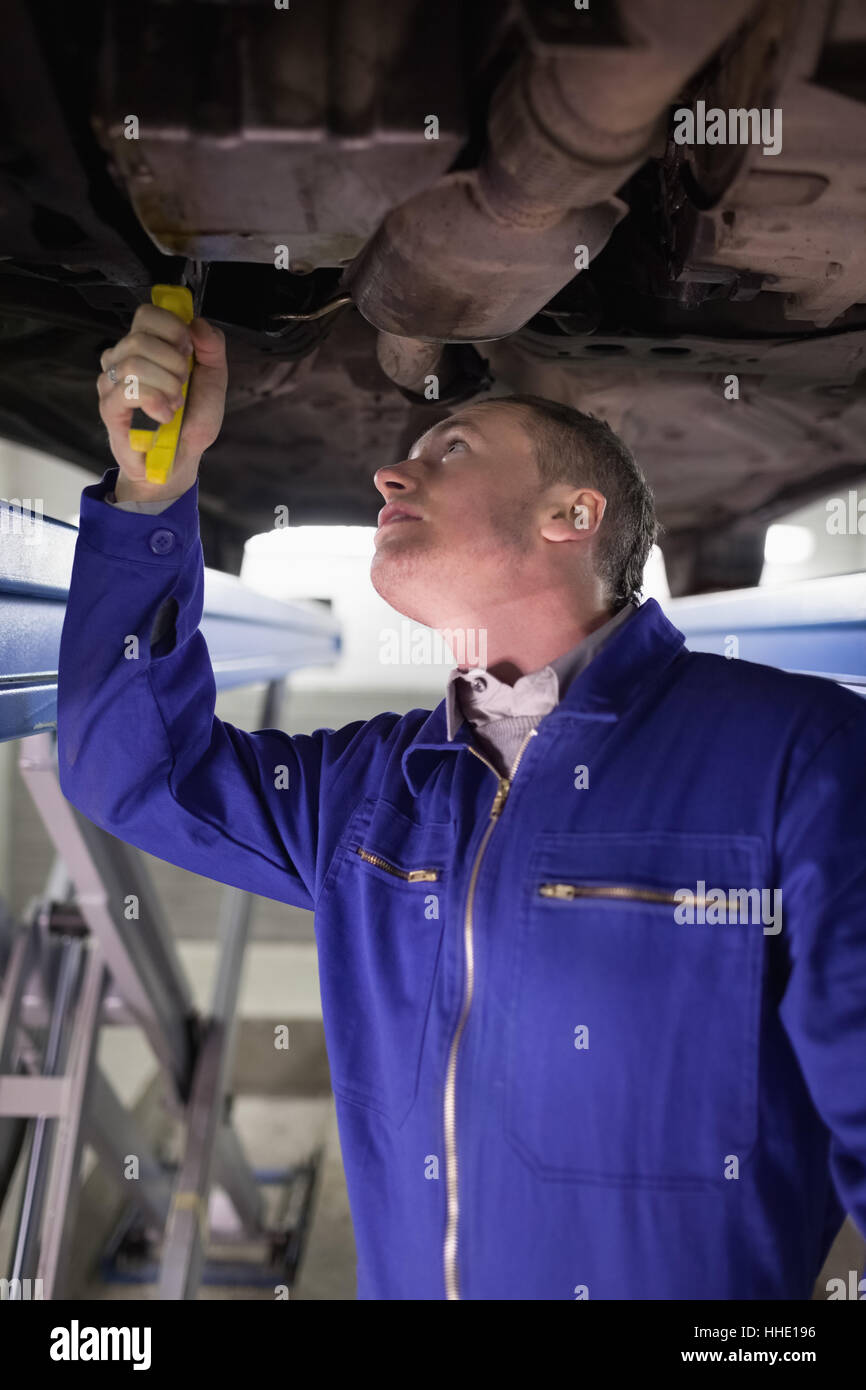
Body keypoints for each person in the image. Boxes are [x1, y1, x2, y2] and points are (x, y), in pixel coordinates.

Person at [57, 302, 866, 1300]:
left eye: (452, 447)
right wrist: (150, 490)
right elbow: (132, 771)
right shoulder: (373, 787)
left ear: (572, 514)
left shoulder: (796, 752)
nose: (391, 473)